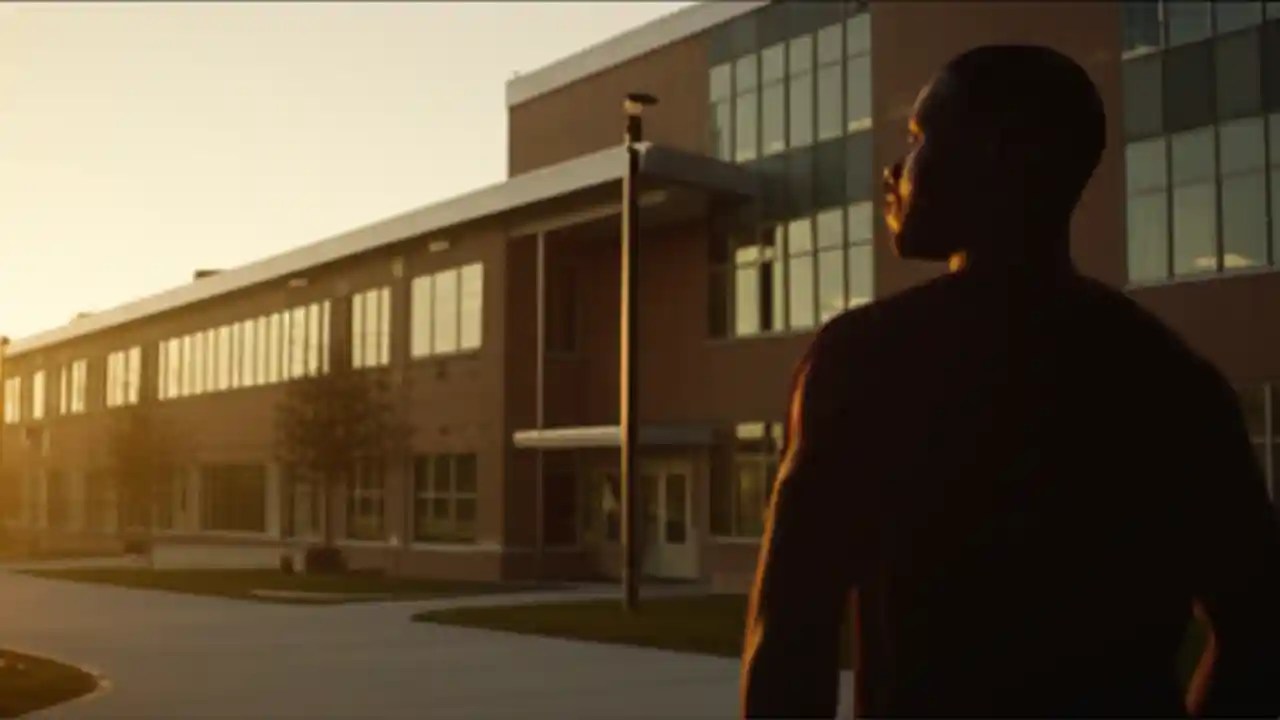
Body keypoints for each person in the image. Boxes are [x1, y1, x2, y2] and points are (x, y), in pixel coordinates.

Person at [740, 44, 1280, 719]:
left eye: (918, 138)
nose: (894, 171)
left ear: (995, 156)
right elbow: (1258, 631)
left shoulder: (866, 361)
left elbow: (791, 636)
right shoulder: (1174, 380)